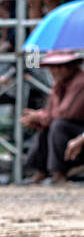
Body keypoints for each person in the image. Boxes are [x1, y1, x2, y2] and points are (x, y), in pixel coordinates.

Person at [21, 51, 84, 184]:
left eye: (61, 66)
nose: (55, 71)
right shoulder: (58, 85)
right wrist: (38, 119)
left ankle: (60, 172)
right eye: (52, 66)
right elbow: (52, 112)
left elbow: (66, 113)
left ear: (71, 66)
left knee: (59, 125)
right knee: (49, 127)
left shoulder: (80, 82)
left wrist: (39, 116)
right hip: (73, 132)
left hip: (77, 130)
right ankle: (41, 171)